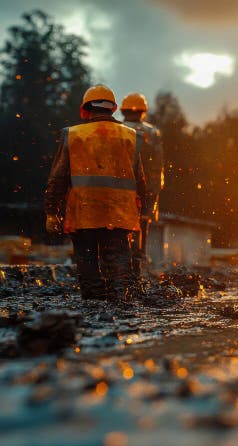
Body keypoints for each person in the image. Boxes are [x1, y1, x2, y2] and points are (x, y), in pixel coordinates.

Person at [44, 84, 151, 302]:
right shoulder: (131, 136)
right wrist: (146, 209)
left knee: (87, 258)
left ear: (86, 108)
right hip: (119, 212)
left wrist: (51, 212)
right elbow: (141, 179)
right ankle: (122, 302)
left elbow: (58, 177)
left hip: (84, 211)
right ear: (112, 108)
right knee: (119, 259)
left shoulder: (73, 134)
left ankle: (93, 304)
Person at [120, 92, 164, 275]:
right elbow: (158, 165)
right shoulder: (153, 133)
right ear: (143, 112)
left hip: (119, 188)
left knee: (119, 226)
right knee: (142, 226)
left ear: (123, 111)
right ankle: (138, 265)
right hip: (145, 189)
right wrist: (153, 192)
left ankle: (121, 265)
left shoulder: (118, 130)